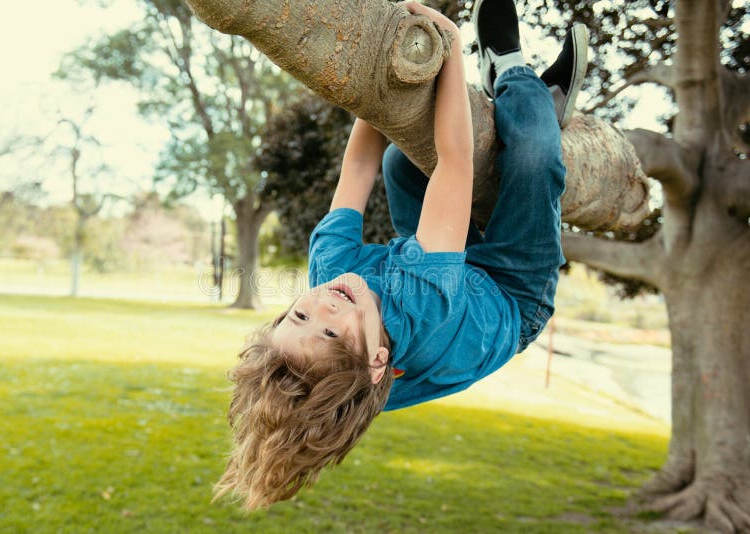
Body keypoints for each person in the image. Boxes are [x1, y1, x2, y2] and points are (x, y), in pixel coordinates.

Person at [215, 0, 588, 510]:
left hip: (440, 296)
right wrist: (453, 46)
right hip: (509, 298)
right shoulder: (419, 303)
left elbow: (359, 166)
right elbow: (455, 163)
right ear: (378, 363)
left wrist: (383, 85)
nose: (323, 306)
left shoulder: (331, 277)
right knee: (532, 157)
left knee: (400, 162)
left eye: (299, 314)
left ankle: (540, 104)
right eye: (329, 331)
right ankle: (515, 72)